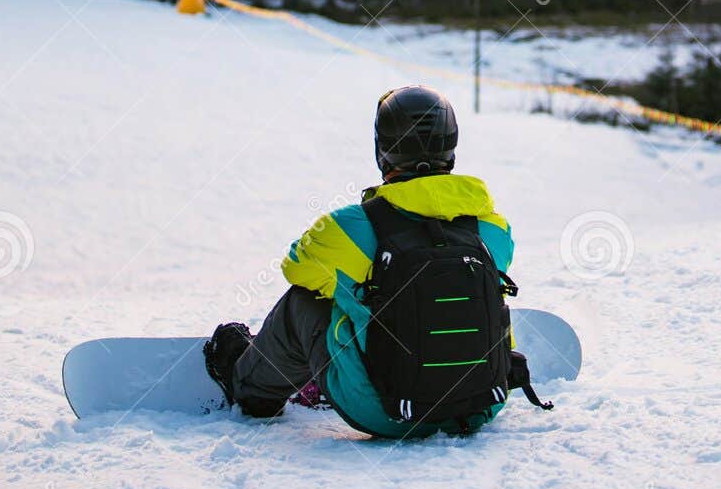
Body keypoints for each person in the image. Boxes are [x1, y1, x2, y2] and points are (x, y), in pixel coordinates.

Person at [204, 85, 548, 438]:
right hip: (480, 405)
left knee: (307, 299)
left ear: (382, 149)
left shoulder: (351, 225)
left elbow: (296, 267)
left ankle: (250, 388)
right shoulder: (492, 227)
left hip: (382, 411)